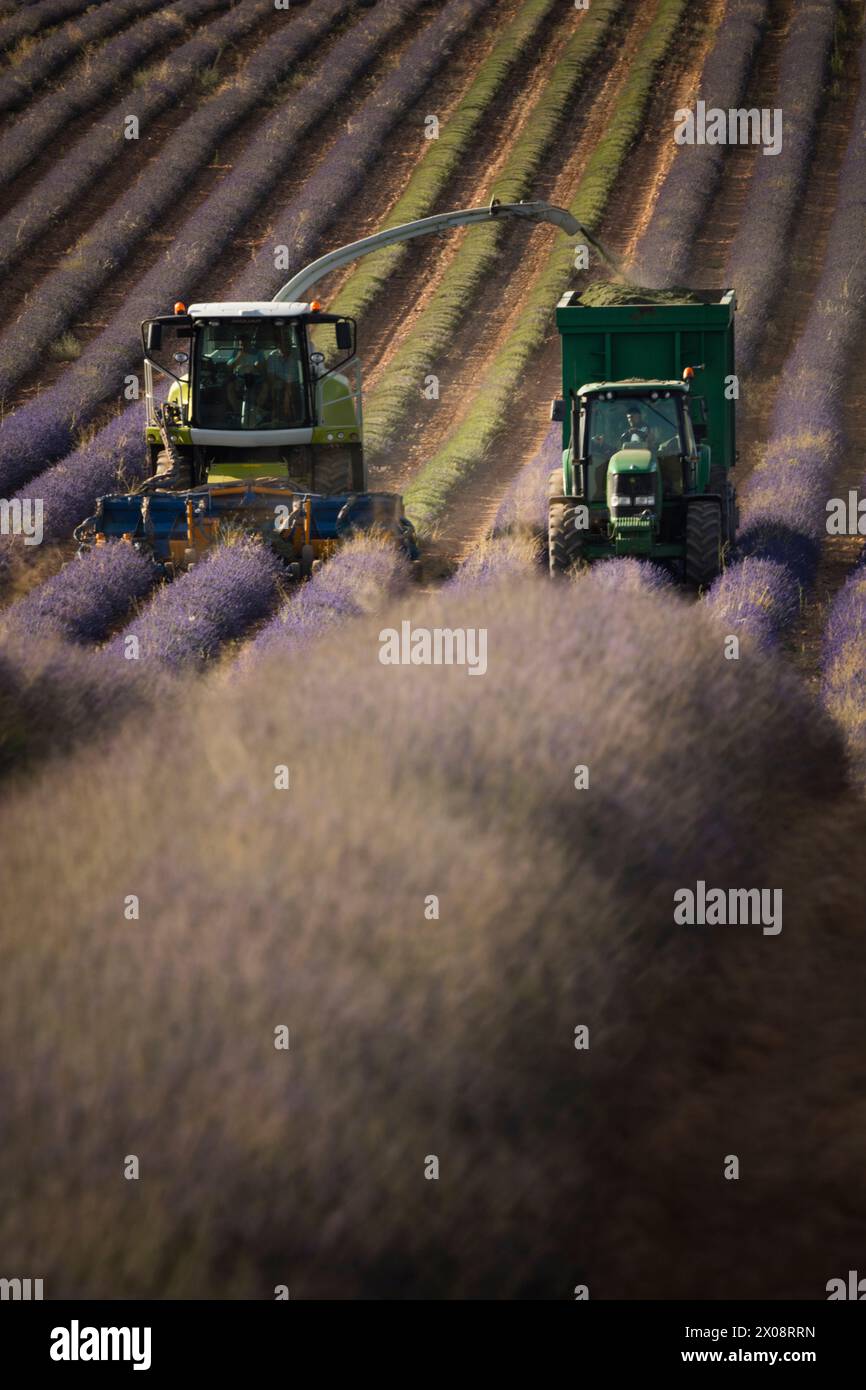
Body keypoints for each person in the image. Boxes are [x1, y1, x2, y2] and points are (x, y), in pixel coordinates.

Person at [226, 331, 269, 425]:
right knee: (230, 386)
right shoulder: (237, 352)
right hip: (240, 378)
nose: (243, 346)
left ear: (250, 342)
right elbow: (229, 367)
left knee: (265, 386)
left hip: (256, 378)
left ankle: (257, 410)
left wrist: (257, 366)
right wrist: (239, 356)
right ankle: (237, 411)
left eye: (245, 343)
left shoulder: (258, 353)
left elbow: (264, 369)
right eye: (241, 344)